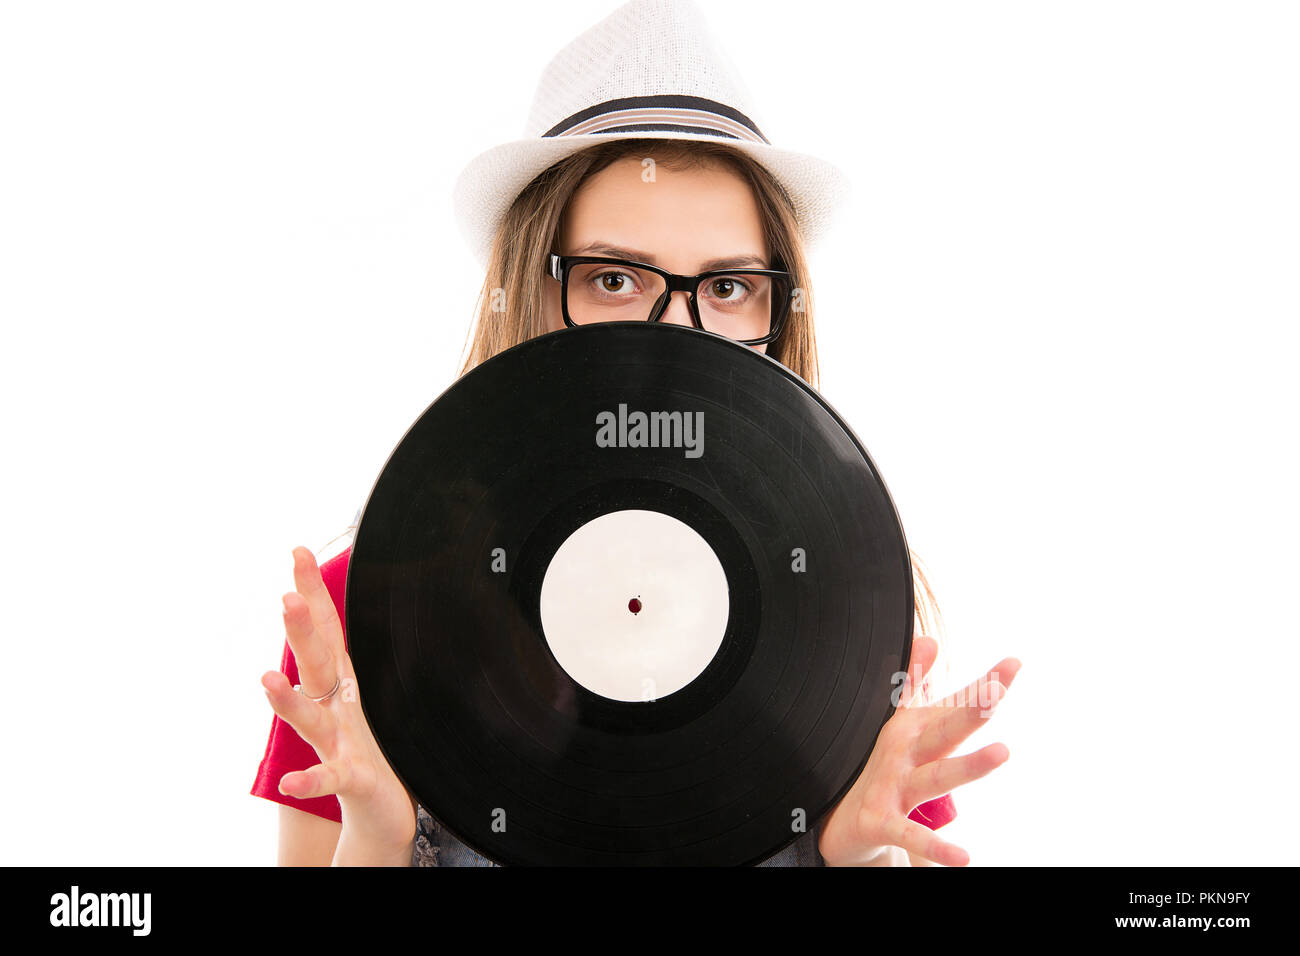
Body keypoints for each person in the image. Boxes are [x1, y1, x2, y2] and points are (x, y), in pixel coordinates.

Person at [251, 0, 1021, 867]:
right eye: (614, 277)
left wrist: (865, 863)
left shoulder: (852, 608)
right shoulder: (360, 609)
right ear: (528, 289)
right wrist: (377, 841)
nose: (678, 335)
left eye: (728, 290)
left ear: (778, 311)